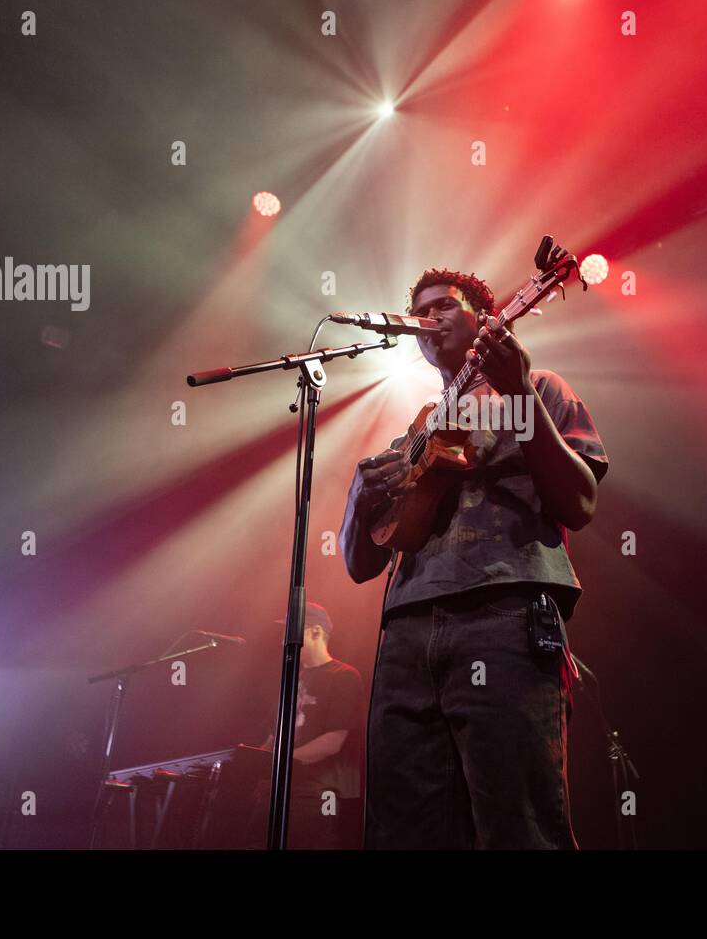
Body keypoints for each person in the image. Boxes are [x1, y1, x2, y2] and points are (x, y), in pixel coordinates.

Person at [340, 268, 608, 849]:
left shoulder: (543, 388)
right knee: (402, 831)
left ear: (487, 320)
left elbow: (580, 501)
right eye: (420, 313)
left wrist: (518, 391)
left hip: (505, 613)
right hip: (406, 630)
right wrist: (362, 498)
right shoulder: (410, 433)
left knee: (520, 826)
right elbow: (357, 564)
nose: (428, 319)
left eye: (443, 307)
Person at [257, 603, 364, 850]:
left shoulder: (344, 676)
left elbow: (333, 741)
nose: (284, 638)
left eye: (292, 630)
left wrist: (278, 763)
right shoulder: (290, 678)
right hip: (283, 789)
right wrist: (254, 766)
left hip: (320, 793)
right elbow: (274, 737)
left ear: (316, 631)